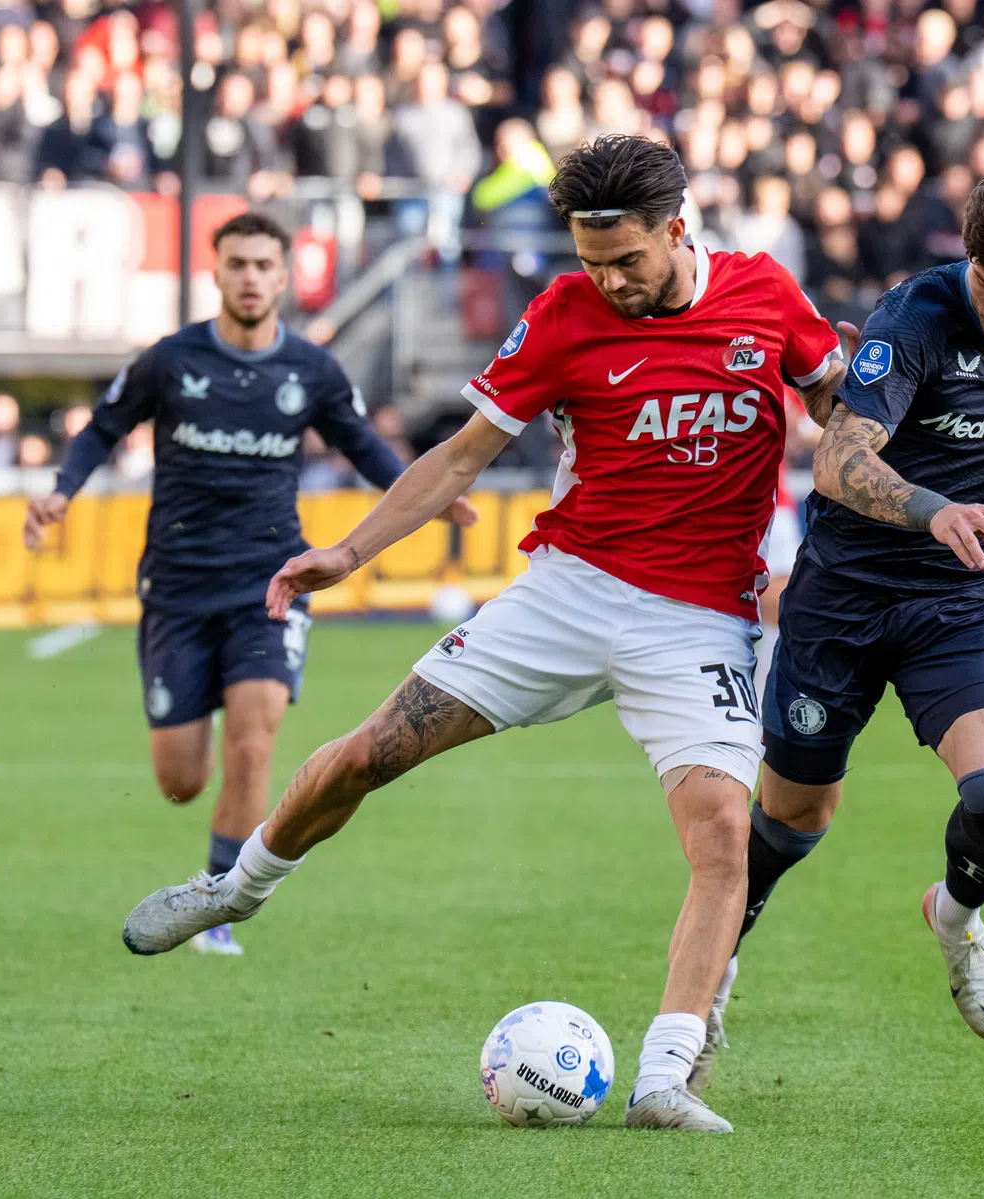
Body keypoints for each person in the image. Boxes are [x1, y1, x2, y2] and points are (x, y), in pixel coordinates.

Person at [119, 135, 846, 1133]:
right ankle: (234, 888)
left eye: (627, 260)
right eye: (591, 263)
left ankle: (663, 1077)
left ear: (678, 229)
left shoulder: (766, 297)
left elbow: (842, 404)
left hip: (702, 620)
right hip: (569, 592)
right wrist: (350, 550)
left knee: (724, 834)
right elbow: (459, 458)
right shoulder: (562, 316)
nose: (610, 282)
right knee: (372, 750)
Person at [25, 211, 474, 957]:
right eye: (238, 264)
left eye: (265, 265)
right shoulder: (169, 362)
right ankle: (195, 752)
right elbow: (103, 426)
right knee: (178, 778)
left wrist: (423, 492)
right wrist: (62, 490)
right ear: (218, 272)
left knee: (255, 738)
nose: (251, 277)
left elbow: (359, 441)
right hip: (175, 585)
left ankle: (217, 900)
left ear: (284, 274)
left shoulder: (313, 370)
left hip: (270, 580)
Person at [729, 164, 984, 1056]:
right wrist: (937, 511)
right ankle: (711, 978)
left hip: (962, 599)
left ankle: (957, 917)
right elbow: (837, 462)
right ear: (965, 256)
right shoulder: (913, 320)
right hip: (844, 598)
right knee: (790, 822)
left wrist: (964, 531)